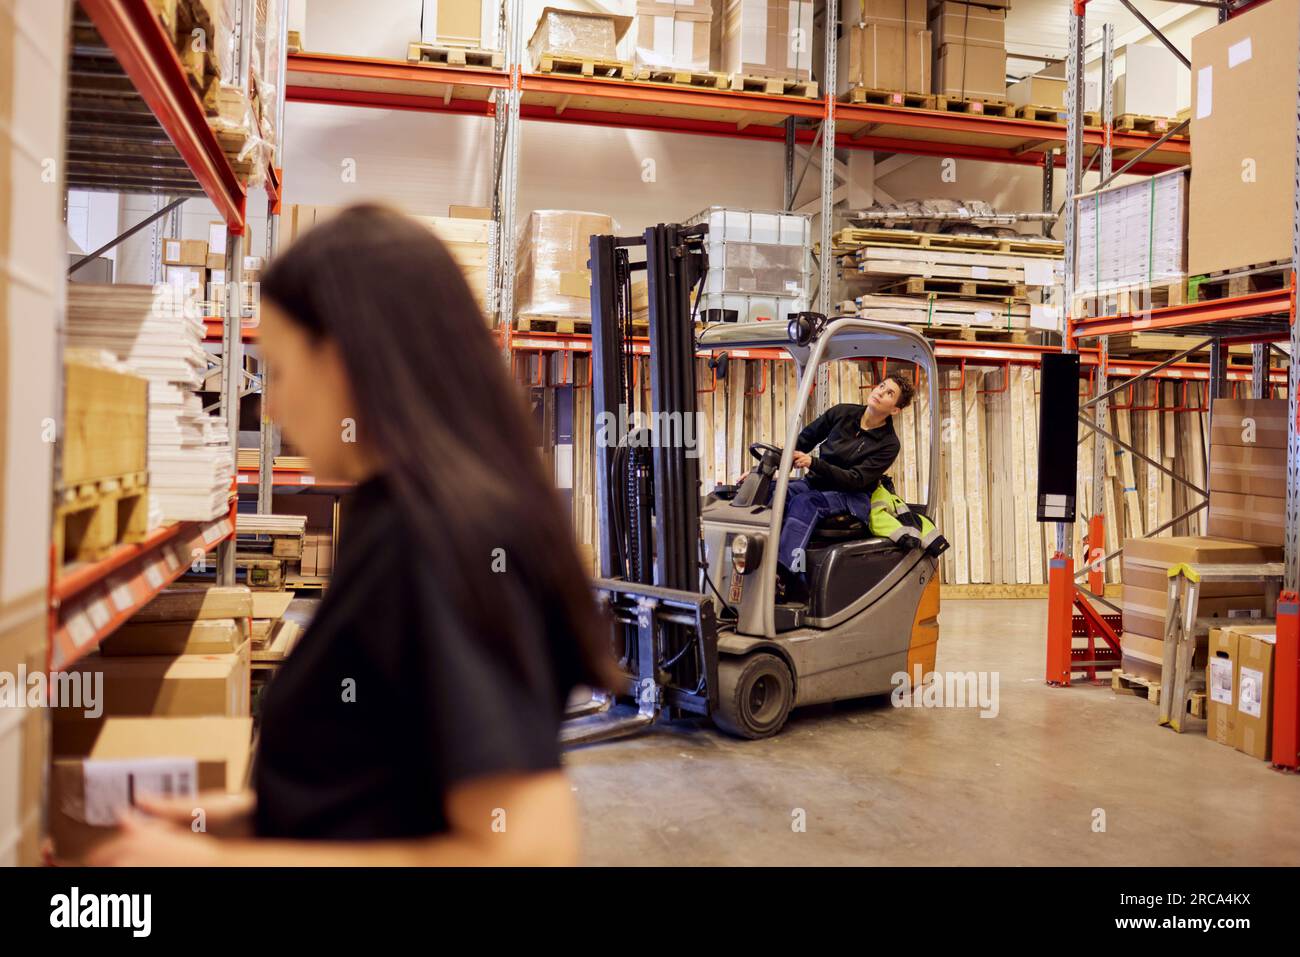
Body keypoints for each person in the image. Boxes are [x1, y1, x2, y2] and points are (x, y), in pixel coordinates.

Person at [89, 204, 616, 866]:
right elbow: (388, 785)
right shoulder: (388, 512)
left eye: (278, 369)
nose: (272, 406)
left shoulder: (444, 537)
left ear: (342, 360)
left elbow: (525, 851)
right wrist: (233, 822)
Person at [773, 374, 914, 600]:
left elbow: (854, 479)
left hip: (851, 496)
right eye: (881, 386)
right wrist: (764, 469)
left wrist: (814, 463)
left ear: (895, 410)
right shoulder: (842, 413)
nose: (880, 392)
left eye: (890, 393)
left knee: (805, 503)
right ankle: (757, 561)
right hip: (817, 484)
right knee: (774, 493)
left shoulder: (888, 444)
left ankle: (782, 575)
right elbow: (803, 440)